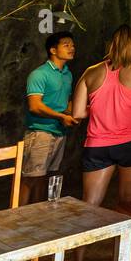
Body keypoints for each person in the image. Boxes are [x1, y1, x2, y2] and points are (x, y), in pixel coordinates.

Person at [66, 25, 131, 261]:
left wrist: (98, 108)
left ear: (110, 44)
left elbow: (76, 114)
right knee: (128, 202)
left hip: (99, 144)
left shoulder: (90, 73)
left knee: (89, 206)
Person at [20, 31, 78, 205]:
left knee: (48, 177)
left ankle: (39, 214)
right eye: (66, 45)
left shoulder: (67, 74)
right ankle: (17, 216)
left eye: (73, 45)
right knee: (31, 178)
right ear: (53, 50)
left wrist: (77, 112)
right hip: (40, 132)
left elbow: (65, 104)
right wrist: (61, 117)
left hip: (59, 132)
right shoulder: (39, 74)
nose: (72, 48)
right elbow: (35, 106)